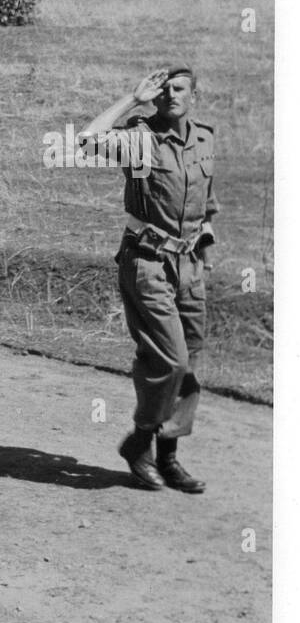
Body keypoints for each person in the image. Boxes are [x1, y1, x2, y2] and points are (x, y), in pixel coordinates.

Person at [79, 66, 218, 493]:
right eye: (163, 90)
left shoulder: (205, 138)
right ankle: (139, 441)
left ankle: (168, 457)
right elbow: (86, 141)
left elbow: (207, 204)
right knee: (170, 359)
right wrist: (131, 100)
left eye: (179, 89)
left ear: (194, 94)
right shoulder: (140, 138)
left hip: (190, 266)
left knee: (189, 365)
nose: (171, 96)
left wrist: (206, 254)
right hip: (147, 263)